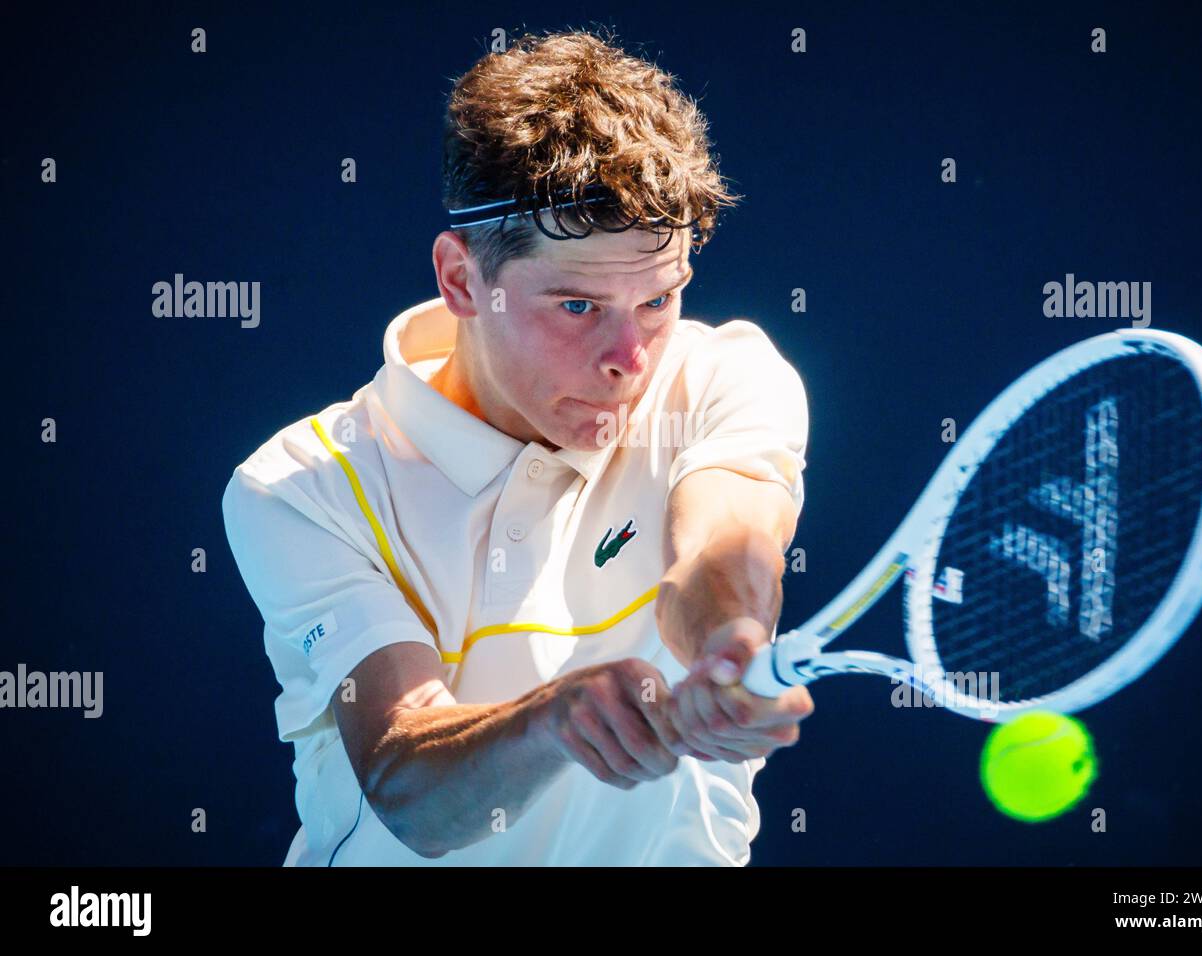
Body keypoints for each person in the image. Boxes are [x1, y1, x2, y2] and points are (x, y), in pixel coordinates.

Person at [222, 28, 813, 866]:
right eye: (577, 307)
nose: (628, 360)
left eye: (658, 300)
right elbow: (407, 787)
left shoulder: (725, 377)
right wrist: (551, 721)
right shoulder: (298, 487)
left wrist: (729, 640)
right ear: (463, 280)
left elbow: (718, 550)